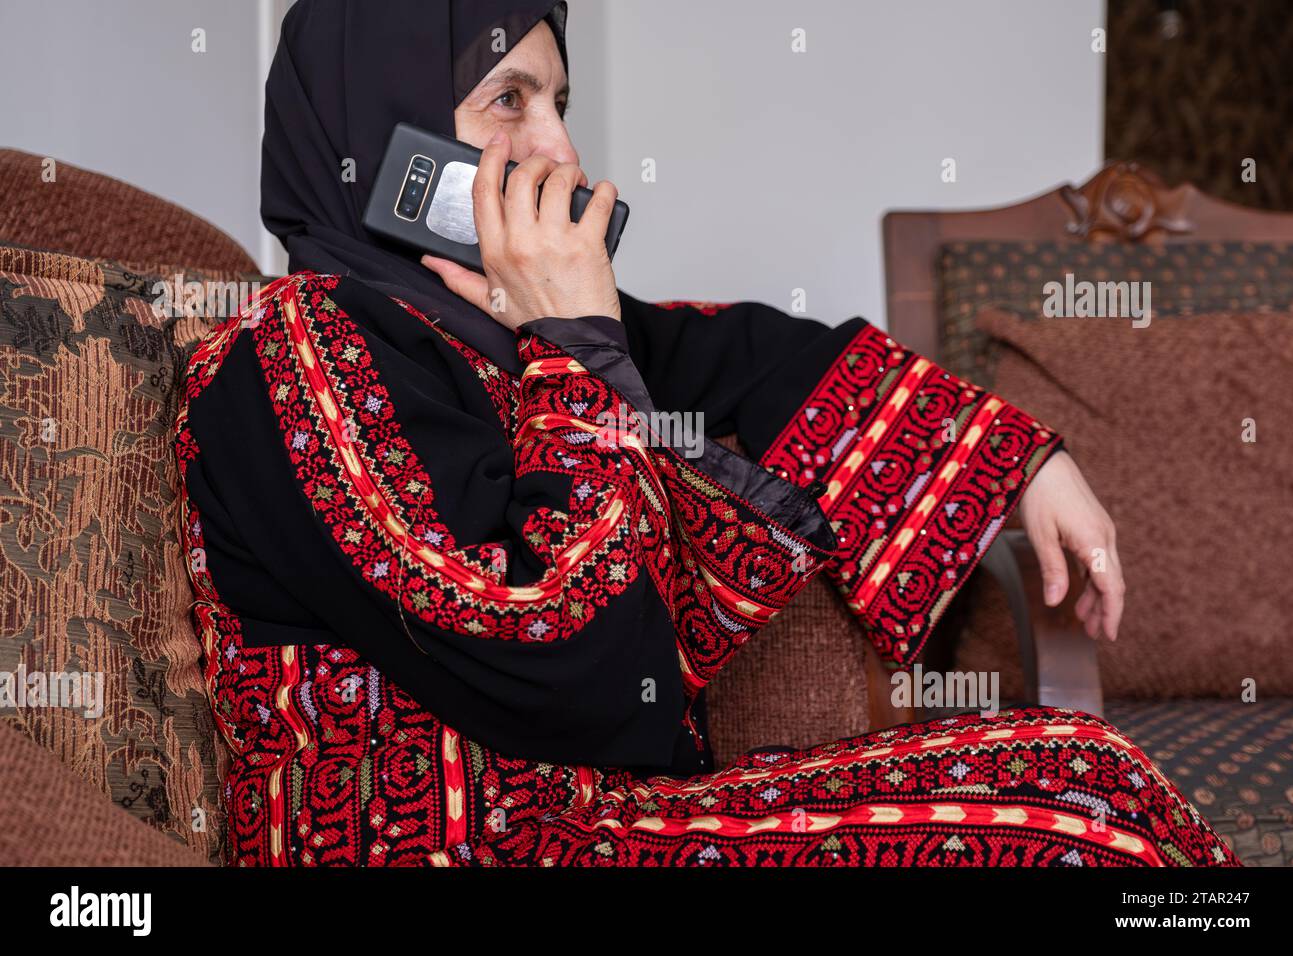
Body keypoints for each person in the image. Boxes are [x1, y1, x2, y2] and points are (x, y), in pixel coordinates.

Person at [173, 0, 1237, 866]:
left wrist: (1020, 462)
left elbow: (754, 362)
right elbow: (572, 667)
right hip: (477, 844)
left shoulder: (513, 330)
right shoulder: (295, 354)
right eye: (510, 100)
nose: (561, 148)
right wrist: (575, 343)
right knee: (1071, 841)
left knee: (1088, 770)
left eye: (560, 101)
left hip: (614, 822)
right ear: (382, 133)